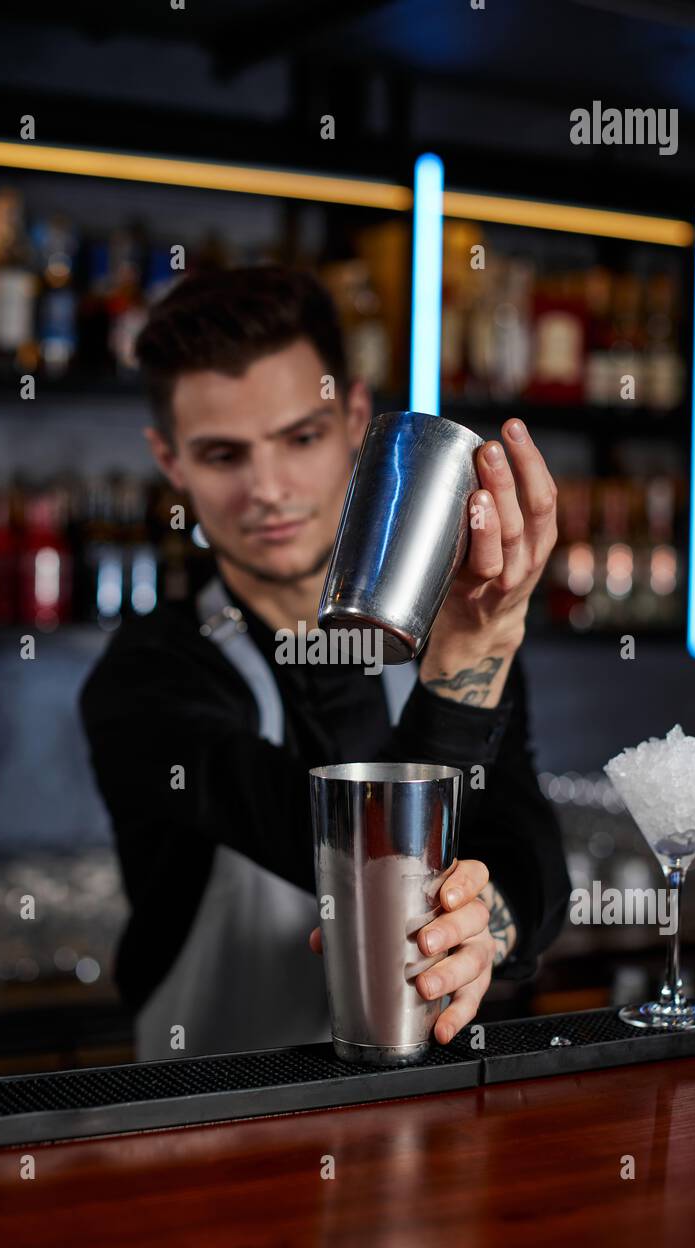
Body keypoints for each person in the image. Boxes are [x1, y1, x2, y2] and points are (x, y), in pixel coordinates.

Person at [80, 264, 571, 1061]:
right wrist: (465, 670)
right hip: (205, 1129)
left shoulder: (447, 629)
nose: (267, 489)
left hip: (425, 1113)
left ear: (353, 417)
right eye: (221, 455)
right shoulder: (149, 674)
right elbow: (348, 859)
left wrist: (483, 930)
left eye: (299, 437)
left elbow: (528, 850)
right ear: (169, 460)